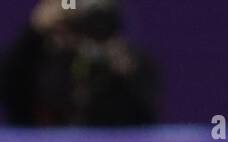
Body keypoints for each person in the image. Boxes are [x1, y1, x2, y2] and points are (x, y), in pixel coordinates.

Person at [0, 0, 160, 127]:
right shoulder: (42, 58)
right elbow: (12, 93)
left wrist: (124, 74)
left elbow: (146, 118)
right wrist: (35, 32)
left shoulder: (127, 62)